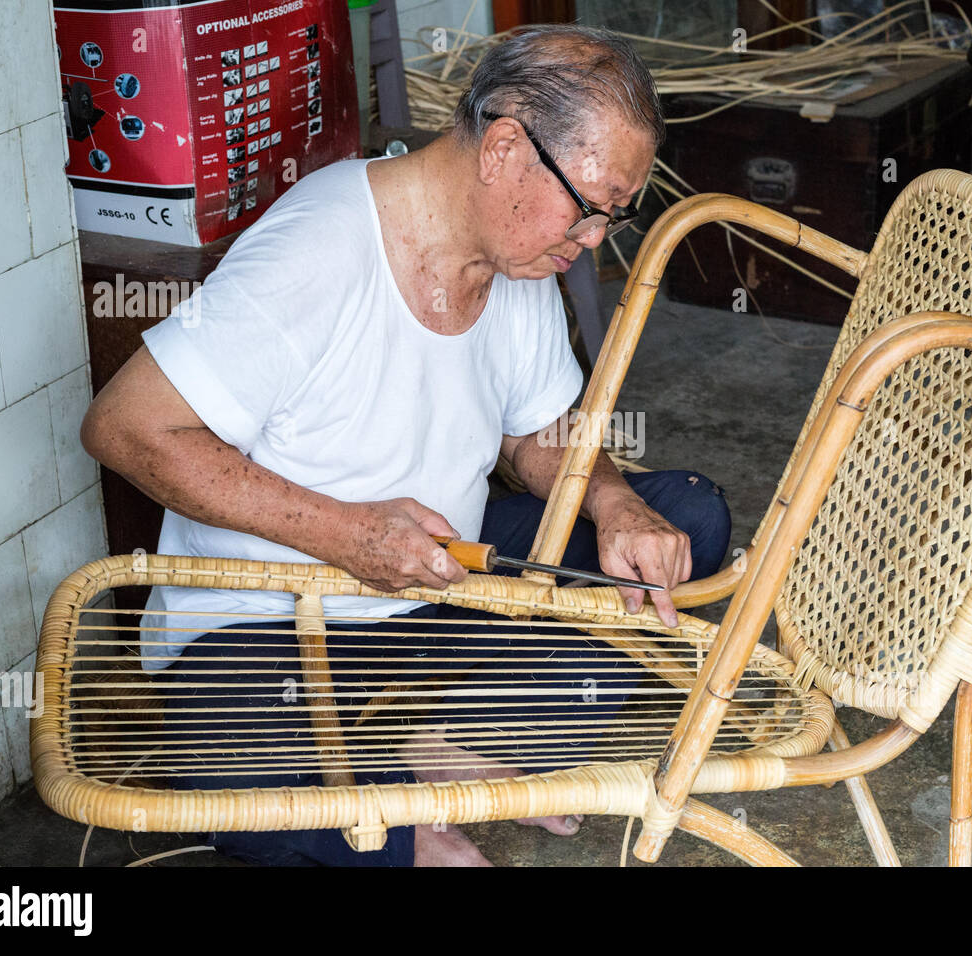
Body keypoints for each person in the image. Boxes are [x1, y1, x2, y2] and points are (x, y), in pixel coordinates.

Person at [80, 25, 731, 866]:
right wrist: (346, 533)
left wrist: (613, 501)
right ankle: (392, 823)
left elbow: (541, 435)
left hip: (443, 592)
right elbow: (123, 427)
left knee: (685, 526)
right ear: (505, 149)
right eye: (594, 203)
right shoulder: (317, 250)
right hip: (266, 626)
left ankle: (428, 756)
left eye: (616, 212)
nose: (596, 235)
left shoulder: (519, 257)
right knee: (242, 779)